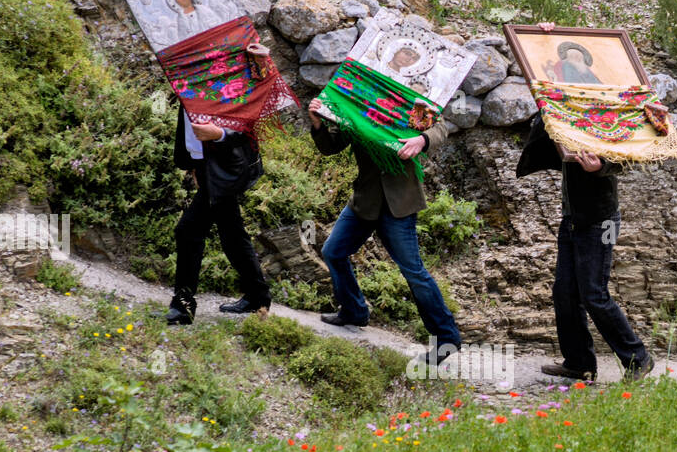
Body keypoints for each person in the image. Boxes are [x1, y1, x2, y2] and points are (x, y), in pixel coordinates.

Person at [518, 24, 654, 382]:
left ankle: (637, 358)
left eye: (578, 58)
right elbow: (541, 84)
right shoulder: (564, 108)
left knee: (594, 293)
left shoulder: (608, 110)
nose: (573, 64)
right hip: (573, 218)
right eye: (568, 58)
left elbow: (627, 155)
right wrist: (542, 37)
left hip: (601, 220)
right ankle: (579, 363)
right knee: (565, 293)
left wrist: (601, 167)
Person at [307, 95, 461, 368]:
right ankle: (354, 311)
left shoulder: (407, 95)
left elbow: (439, 127)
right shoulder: (358, 96)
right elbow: (332, 145)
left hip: (399, 203)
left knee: (413, 272)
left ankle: (447, 340)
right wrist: (317, 121)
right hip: (364, 200)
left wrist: (421, 140)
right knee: (333, 251)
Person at [166, 43, 274, 325]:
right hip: (205, 165)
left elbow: (249, 121)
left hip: (226, 168)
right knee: (231, 233)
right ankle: (258, 297)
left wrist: (219, 135)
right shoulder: (188, 76)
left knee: (188, 231)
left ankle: (183, 306)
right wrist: (193, 163)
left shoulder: (230, 82)